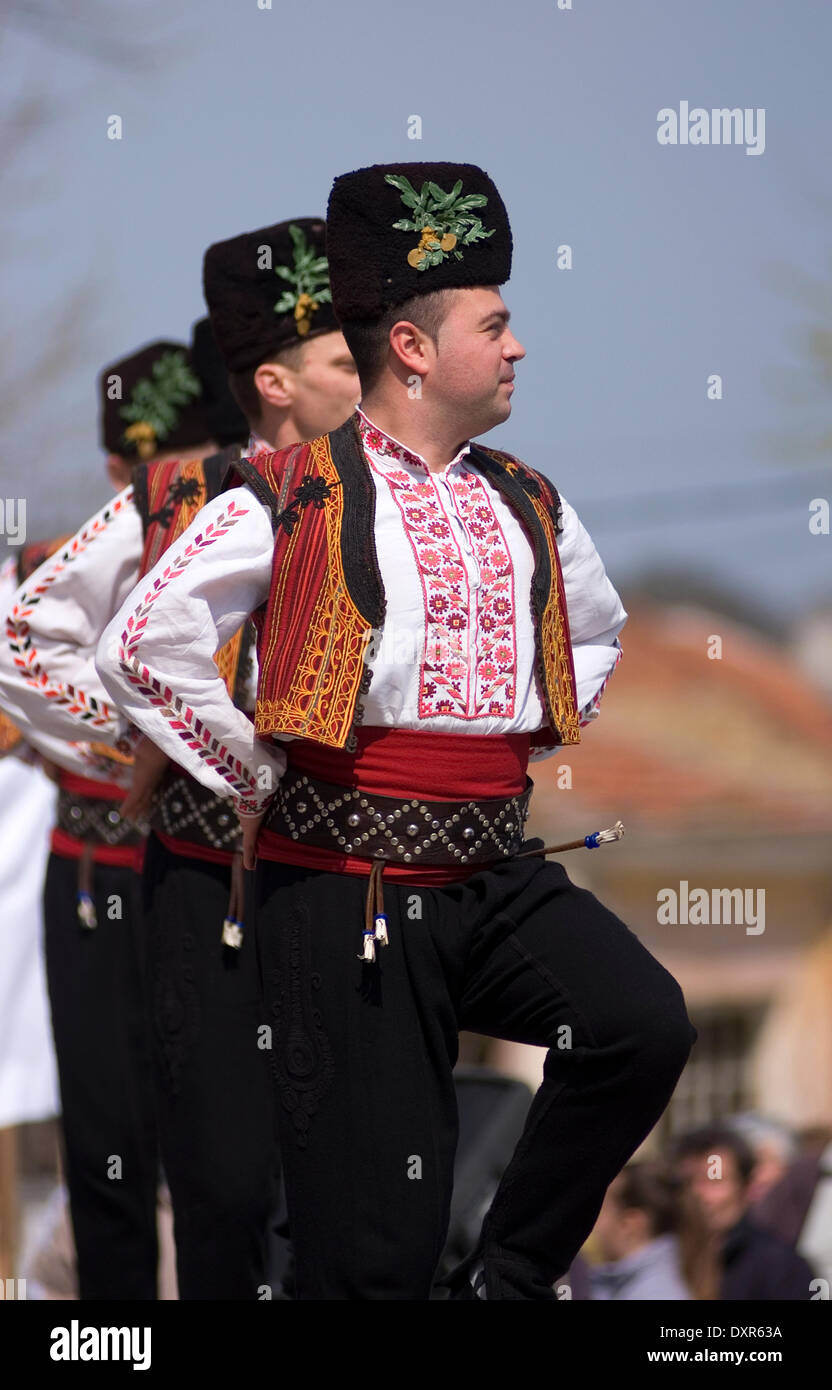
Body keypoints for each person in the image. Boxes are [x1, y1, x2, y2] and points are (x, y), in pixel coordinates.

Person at [96, 160, 697, 1300]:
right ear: (414, 349)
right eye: (497, 323)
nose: (519, 347)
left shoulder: (526, 495)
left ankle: (508, 1277)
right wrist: (251, 770)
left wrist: (510, 727)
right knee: (371, 1253)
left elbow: (597, 632)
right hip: (344, 892)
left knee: (638, 1025)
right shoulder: (286, 490)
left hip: (491, 868)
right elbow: (142, 645)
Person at [0, 336, 216, 1298]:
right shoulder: (53, 568)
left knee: (216, 1133)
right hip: (88, 875)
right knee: (103, 1137)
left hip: (206, 874)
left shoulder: (238, 554)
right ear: (116, 469)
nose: (163, 488)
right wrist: (105, 743)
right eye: (145, 469)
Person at [670, 1124, 816, 1300]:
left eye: (714, 1182)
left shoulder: (780, 1267)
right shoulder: (666, 1258)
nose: (700, 1194)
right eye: (688, 1182)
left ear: (746, 1186)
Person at [588, 1161, 692, 1300]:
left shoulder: (654, 1294)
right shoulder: (625, 1286)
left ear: (629, 1224)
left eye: (602, 1211)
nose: (594, 1224)